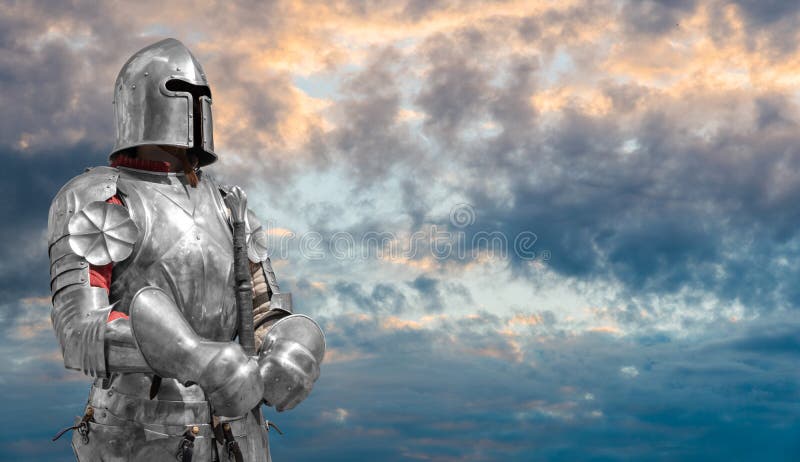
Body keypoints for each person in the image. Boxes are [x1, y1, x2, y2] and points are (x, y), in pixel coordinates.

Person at [47, 38, 324, 461]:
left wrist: (289, 348)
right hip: (139, 432)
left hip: (239, 434)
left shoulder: (229, 205)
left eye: (199, 95)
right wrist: (193, 356)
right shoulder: (99, 198)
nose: (192, 105)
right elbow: (78, 330)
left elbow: (261, 309)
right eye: (180, 92)